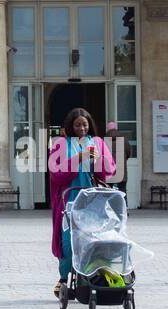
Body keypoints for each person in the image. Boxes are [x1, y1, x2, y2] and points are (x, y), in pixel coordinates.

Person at [49, 108, 118, 298]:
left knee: (94, 240)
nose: (82, 128)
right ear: (70, 126)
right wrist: (78, 158)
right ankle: (65, 278)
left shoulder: (97, 142)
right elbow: (56, 174)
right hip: (69, 200)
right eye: (78, 124)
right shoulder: (61, 144)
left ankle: (92, 276)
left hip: (93, 200)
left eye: (85, 124)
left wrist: (99, 160)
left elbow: (109, 170)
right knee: (68, 242)